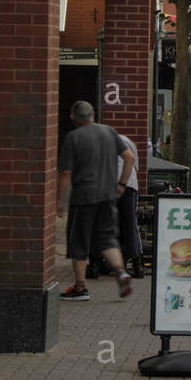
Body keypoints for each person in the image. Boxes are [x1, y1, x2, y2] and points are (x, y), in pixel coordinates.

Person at [57, 101, 135, 299]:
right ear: (92, 114)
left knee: (79, 242)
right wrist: (122, 184)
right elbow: (129, 158)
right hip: (108, 196)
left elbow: (66, 172)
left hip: (83, 197)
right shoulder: (109, 131)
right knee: (108, 239)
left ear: (74, 116)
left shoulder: (73, 137)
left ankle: (80, 287)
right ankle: (121, 272)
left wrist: (59, 201)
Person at [114, 132, 144, 279]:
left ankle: (98, 263)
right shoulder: (128, 141)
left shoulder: (101, 141)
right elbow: (135, 166)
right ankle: (136, 264)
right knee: (131, 224)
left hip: (110, 184)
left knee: (105, 225)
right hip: (130, 185)